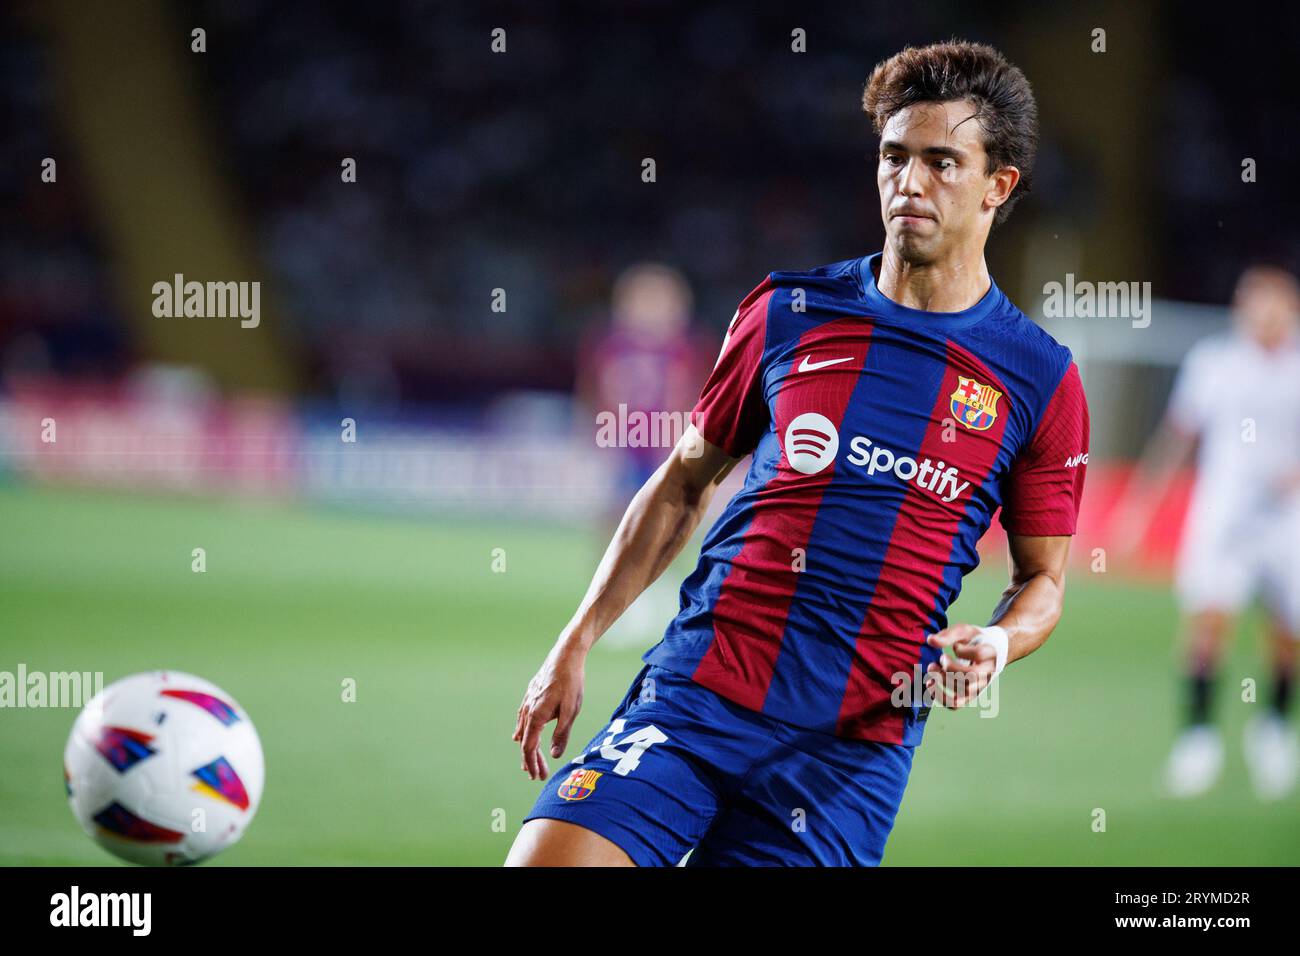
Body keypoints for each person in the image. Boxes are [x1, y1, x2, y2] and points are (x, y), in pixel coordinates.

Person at [507, 40, 1089, 866]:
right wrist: (577, 638)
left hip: (845, 757)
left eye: (942, 162)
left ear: (999, 185)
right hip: (694, 697)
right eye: (894, 156)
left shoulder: (1039, 379)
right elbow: (681, 483)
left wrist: (1000, 641)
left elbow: (1042, 582)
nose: (909, 183)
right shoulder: (790, 311)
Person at [1116, 265, 1300, 799]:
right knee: (1206, 625)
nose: (1264, 314)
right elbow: (1177, 437)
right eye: (1255, 303)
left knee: (1286, 635)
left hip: (1287, 523)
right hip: (1223, 517)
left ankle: (1273, 731)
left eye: (1275, 304)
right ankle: (1198, 739)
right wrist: (1139, 508)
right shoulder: (1215, 364)